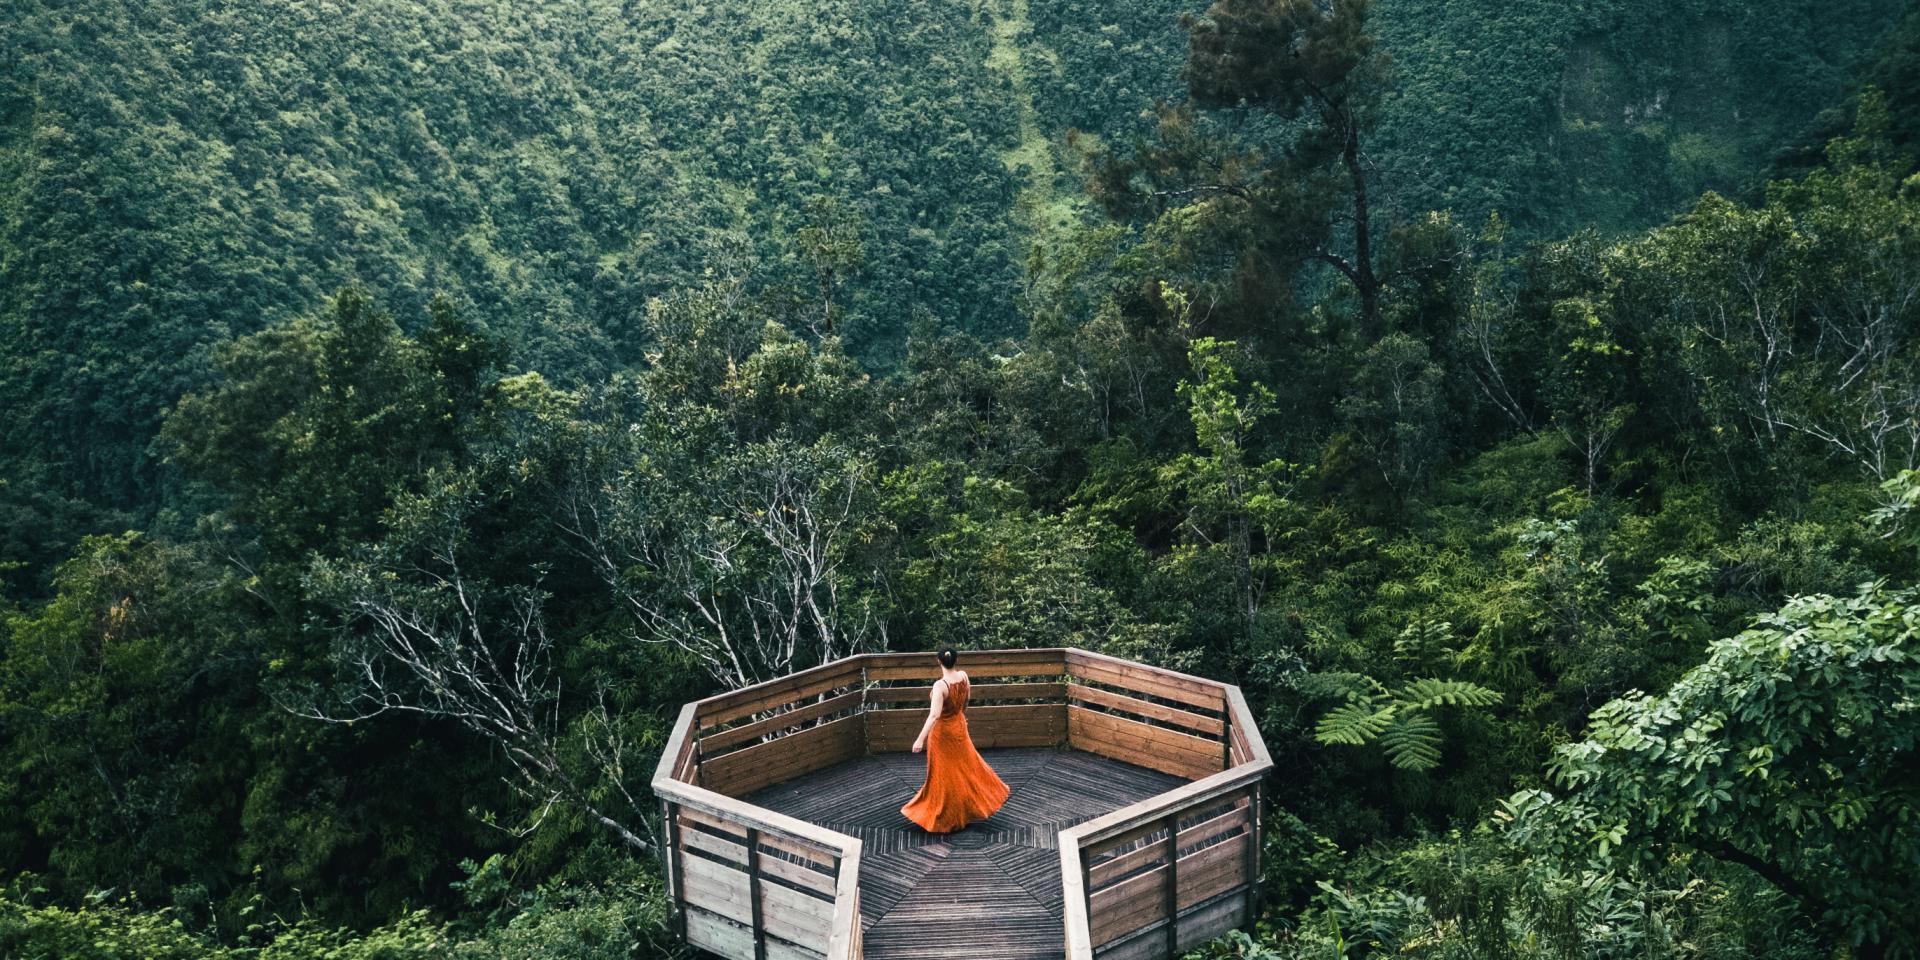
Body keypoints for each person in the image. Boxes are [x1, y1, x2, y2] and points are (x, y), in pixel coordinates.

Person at [900, 647, 1010, 833]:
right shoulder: (964, 676)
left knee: (943, 775)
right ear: (955, 660)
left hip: (943, 734)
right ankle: (964, 811)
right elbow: (967, 699)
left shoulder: (940, 686)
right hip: (959, 727)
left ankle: (947, 816)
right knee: (966, 768)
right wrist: (960, 715)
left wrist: (919, 740)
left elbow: (934, 716)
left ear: (938, 661)